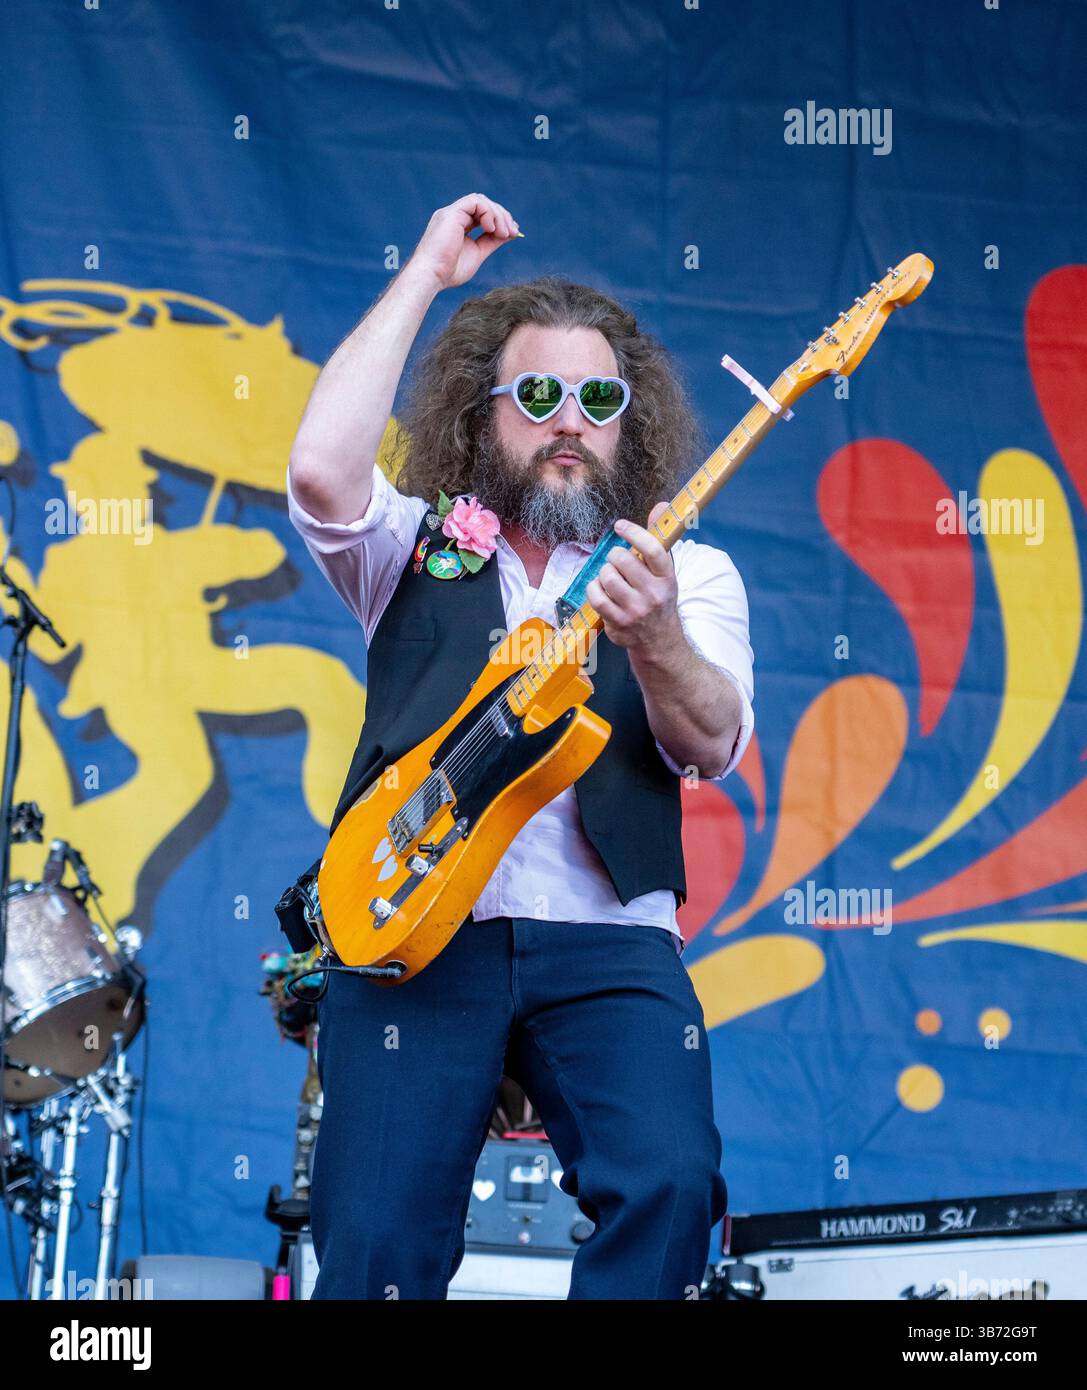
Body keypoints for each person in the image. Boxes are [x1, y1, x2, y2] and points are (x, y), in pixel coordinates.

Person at [287, 193, 754, 1300]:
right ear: (482, 414)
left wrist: (656, 641)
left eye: (599, 398)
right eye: (536, 394)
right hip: (415, 938)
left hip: (605, 946)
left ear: (628, 423)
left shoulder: (684, 574)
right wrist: (426, 276)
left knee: (674, 1186)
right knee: (369, 1250)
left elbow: (714, 738)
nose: (568, 421)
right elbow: (317, 473)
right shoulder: (414, 547)